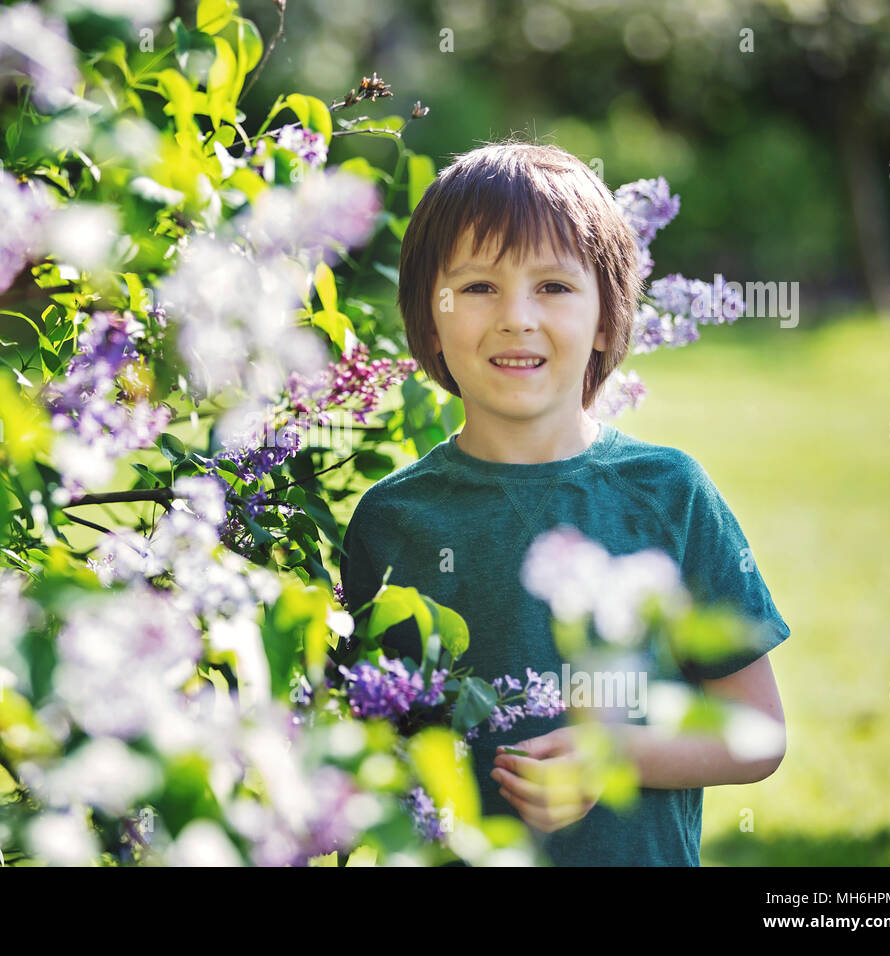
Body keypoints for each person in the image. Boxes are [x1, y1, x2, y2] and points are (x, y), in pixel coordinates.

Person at [337, 138, 790, 866]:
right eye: (479, 287)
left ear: (608, 320)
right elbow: (363, 754)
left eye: (553, 286)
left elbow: (757, 733)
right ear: (429, 321)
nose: (517, 317)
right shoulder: (391, 522)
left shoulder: (670, 496)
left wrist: (617, 755)